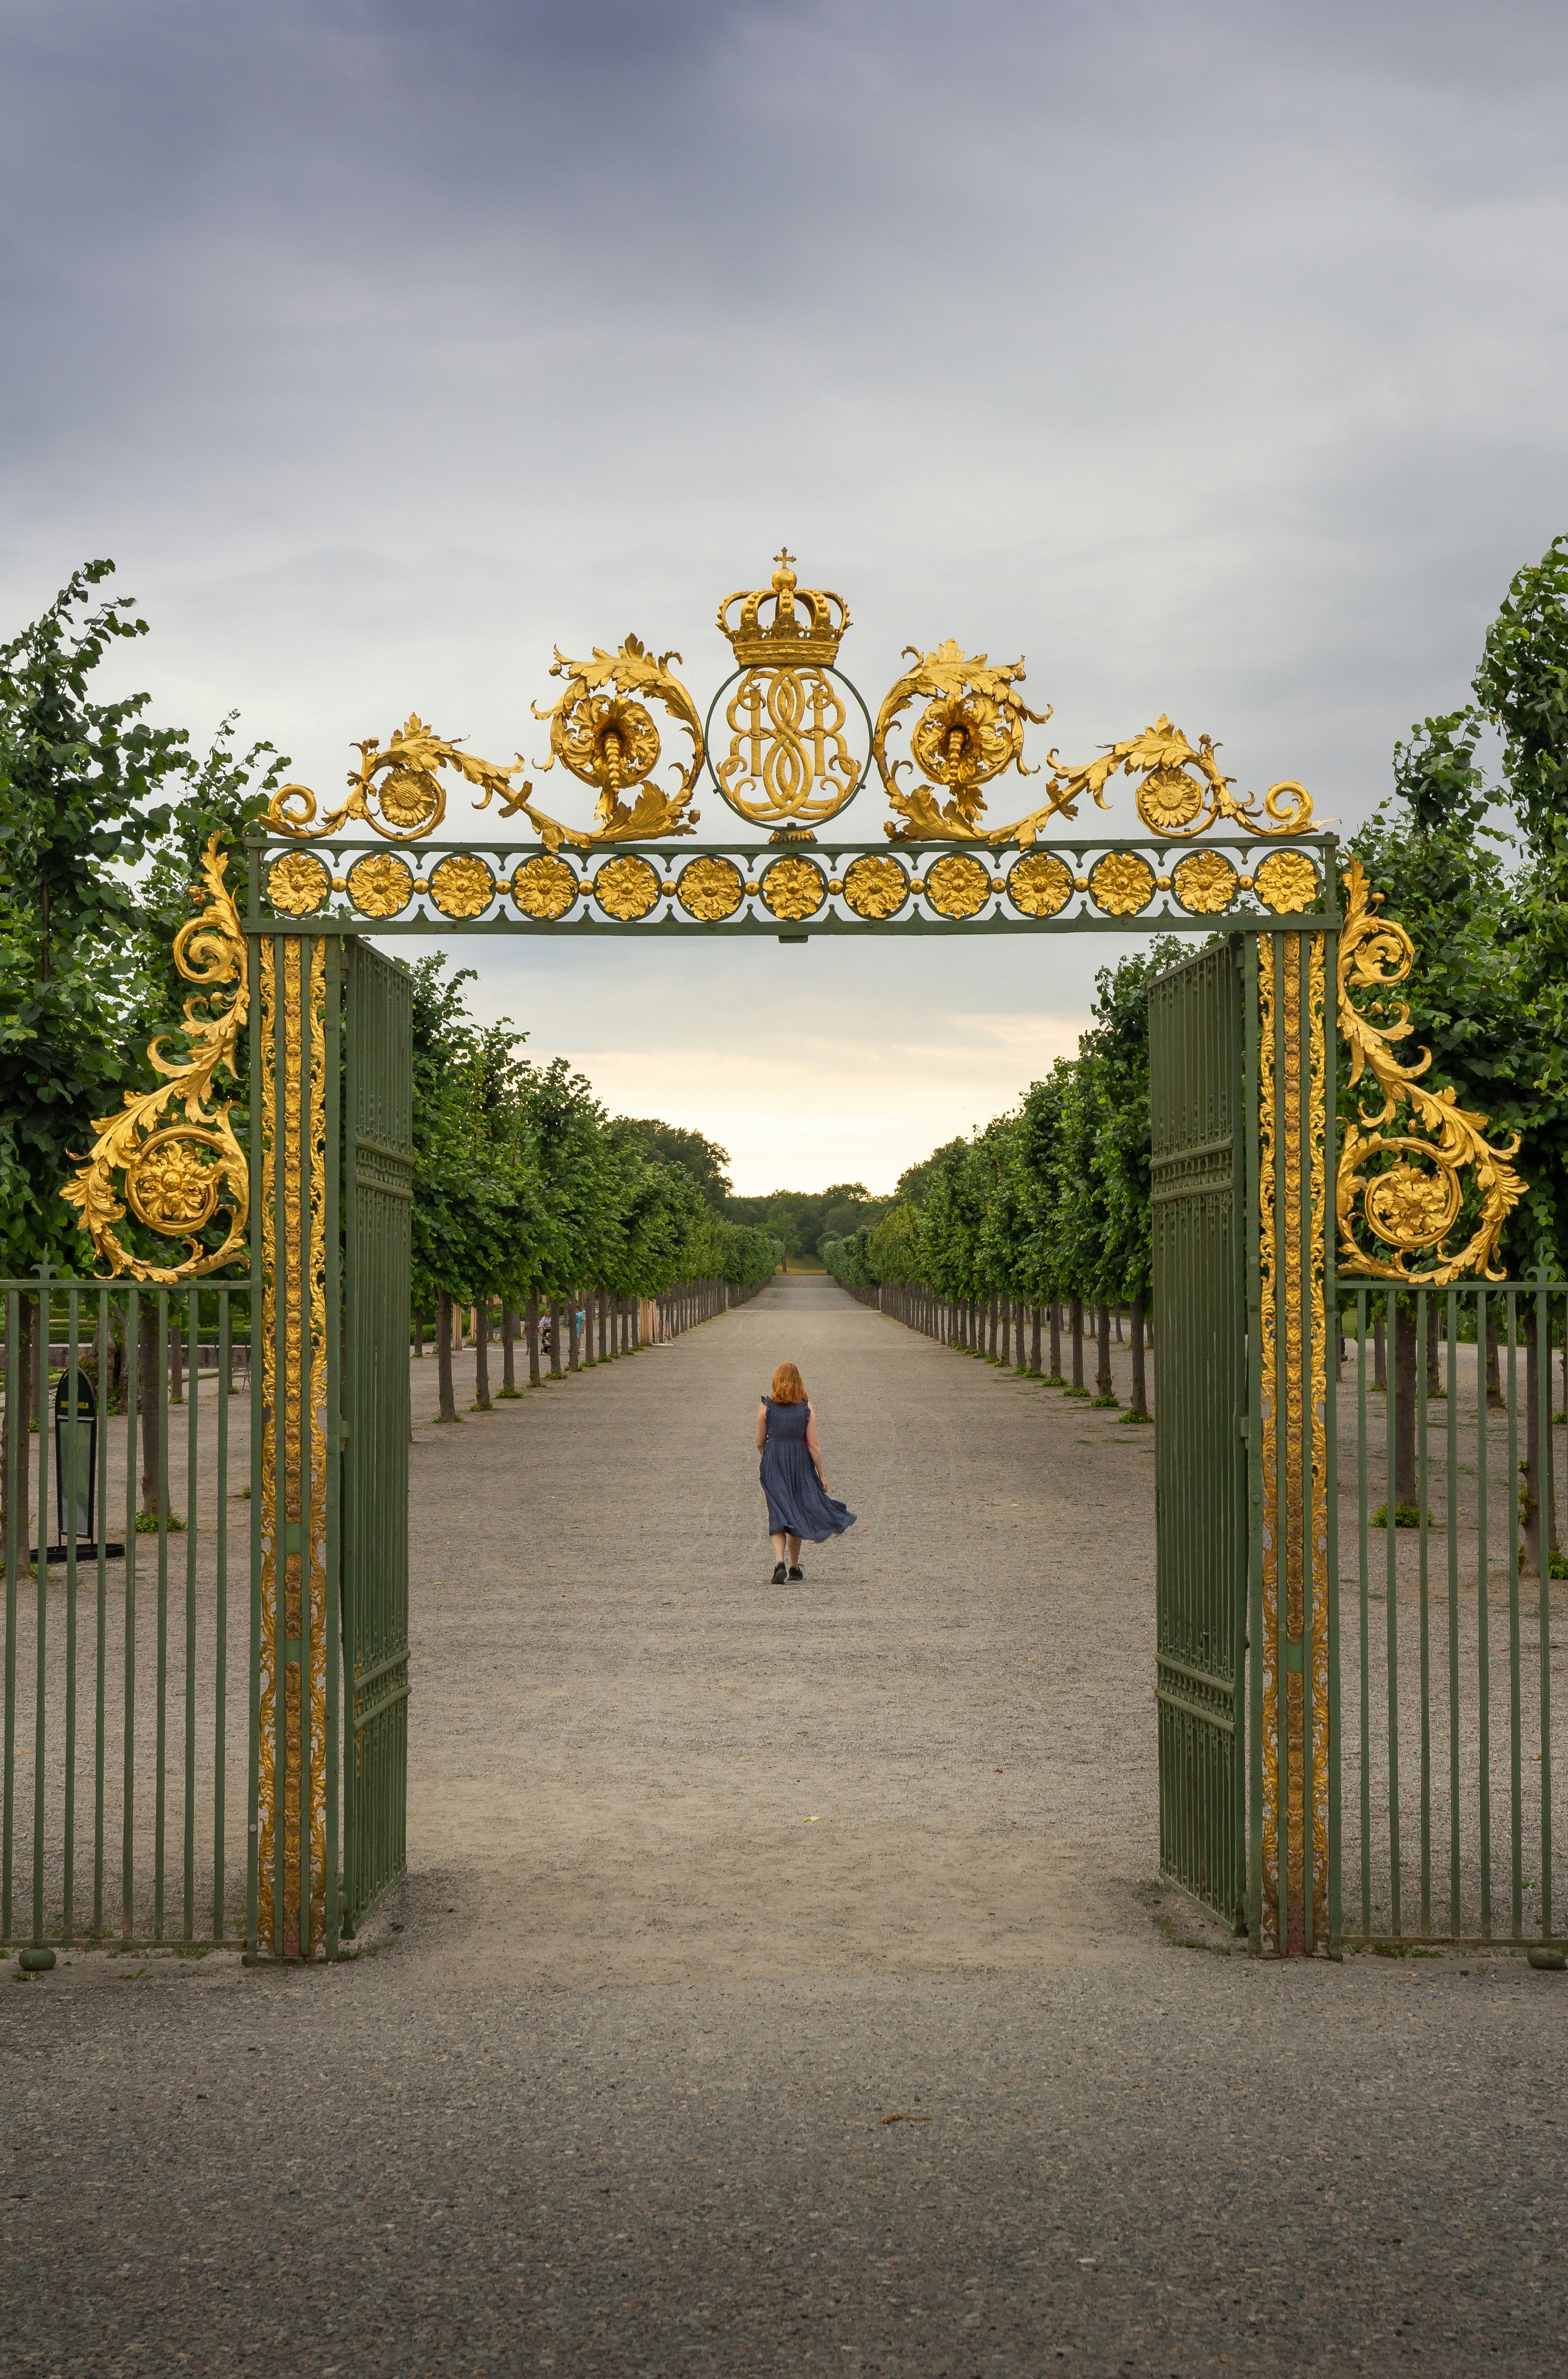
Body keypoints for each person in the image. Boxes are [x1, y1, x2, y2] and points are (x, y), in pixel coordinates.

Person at [756, 1360, 856, 1585]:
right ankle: (794, 1566)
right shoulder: (806, 1408)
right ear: (798, 1381)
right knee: (796, 1510)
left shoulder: (766, 1407)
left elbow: (760, 1441)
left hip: (774, 1460)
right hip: (799, 1462)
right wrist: (821, 1475)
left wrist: (766, 1457)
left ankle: (779, 1562)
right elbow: (814, 1446)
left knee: (778, 1510)